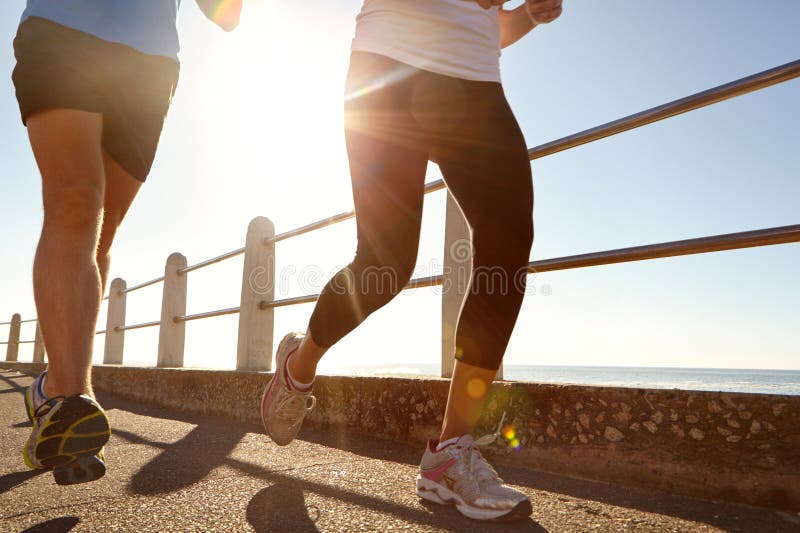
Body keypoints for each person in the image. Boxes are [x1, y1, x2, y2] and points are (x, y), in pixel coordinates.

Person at [261, 0, 563, 522]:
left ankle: (450, 454)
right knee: (386, 263)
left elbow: (486, 24)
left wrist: (529, 15)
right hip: (388, 73)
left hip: (475, 84)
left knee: (508, 242)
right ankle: (299, 364)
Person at [13, 0, 242, 485]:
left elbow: (226, 13)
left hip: (150, 61)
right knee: (75, 202)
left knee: (100, 232)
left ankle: (56, 390)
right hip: (63, 26)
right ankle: (73, 401)